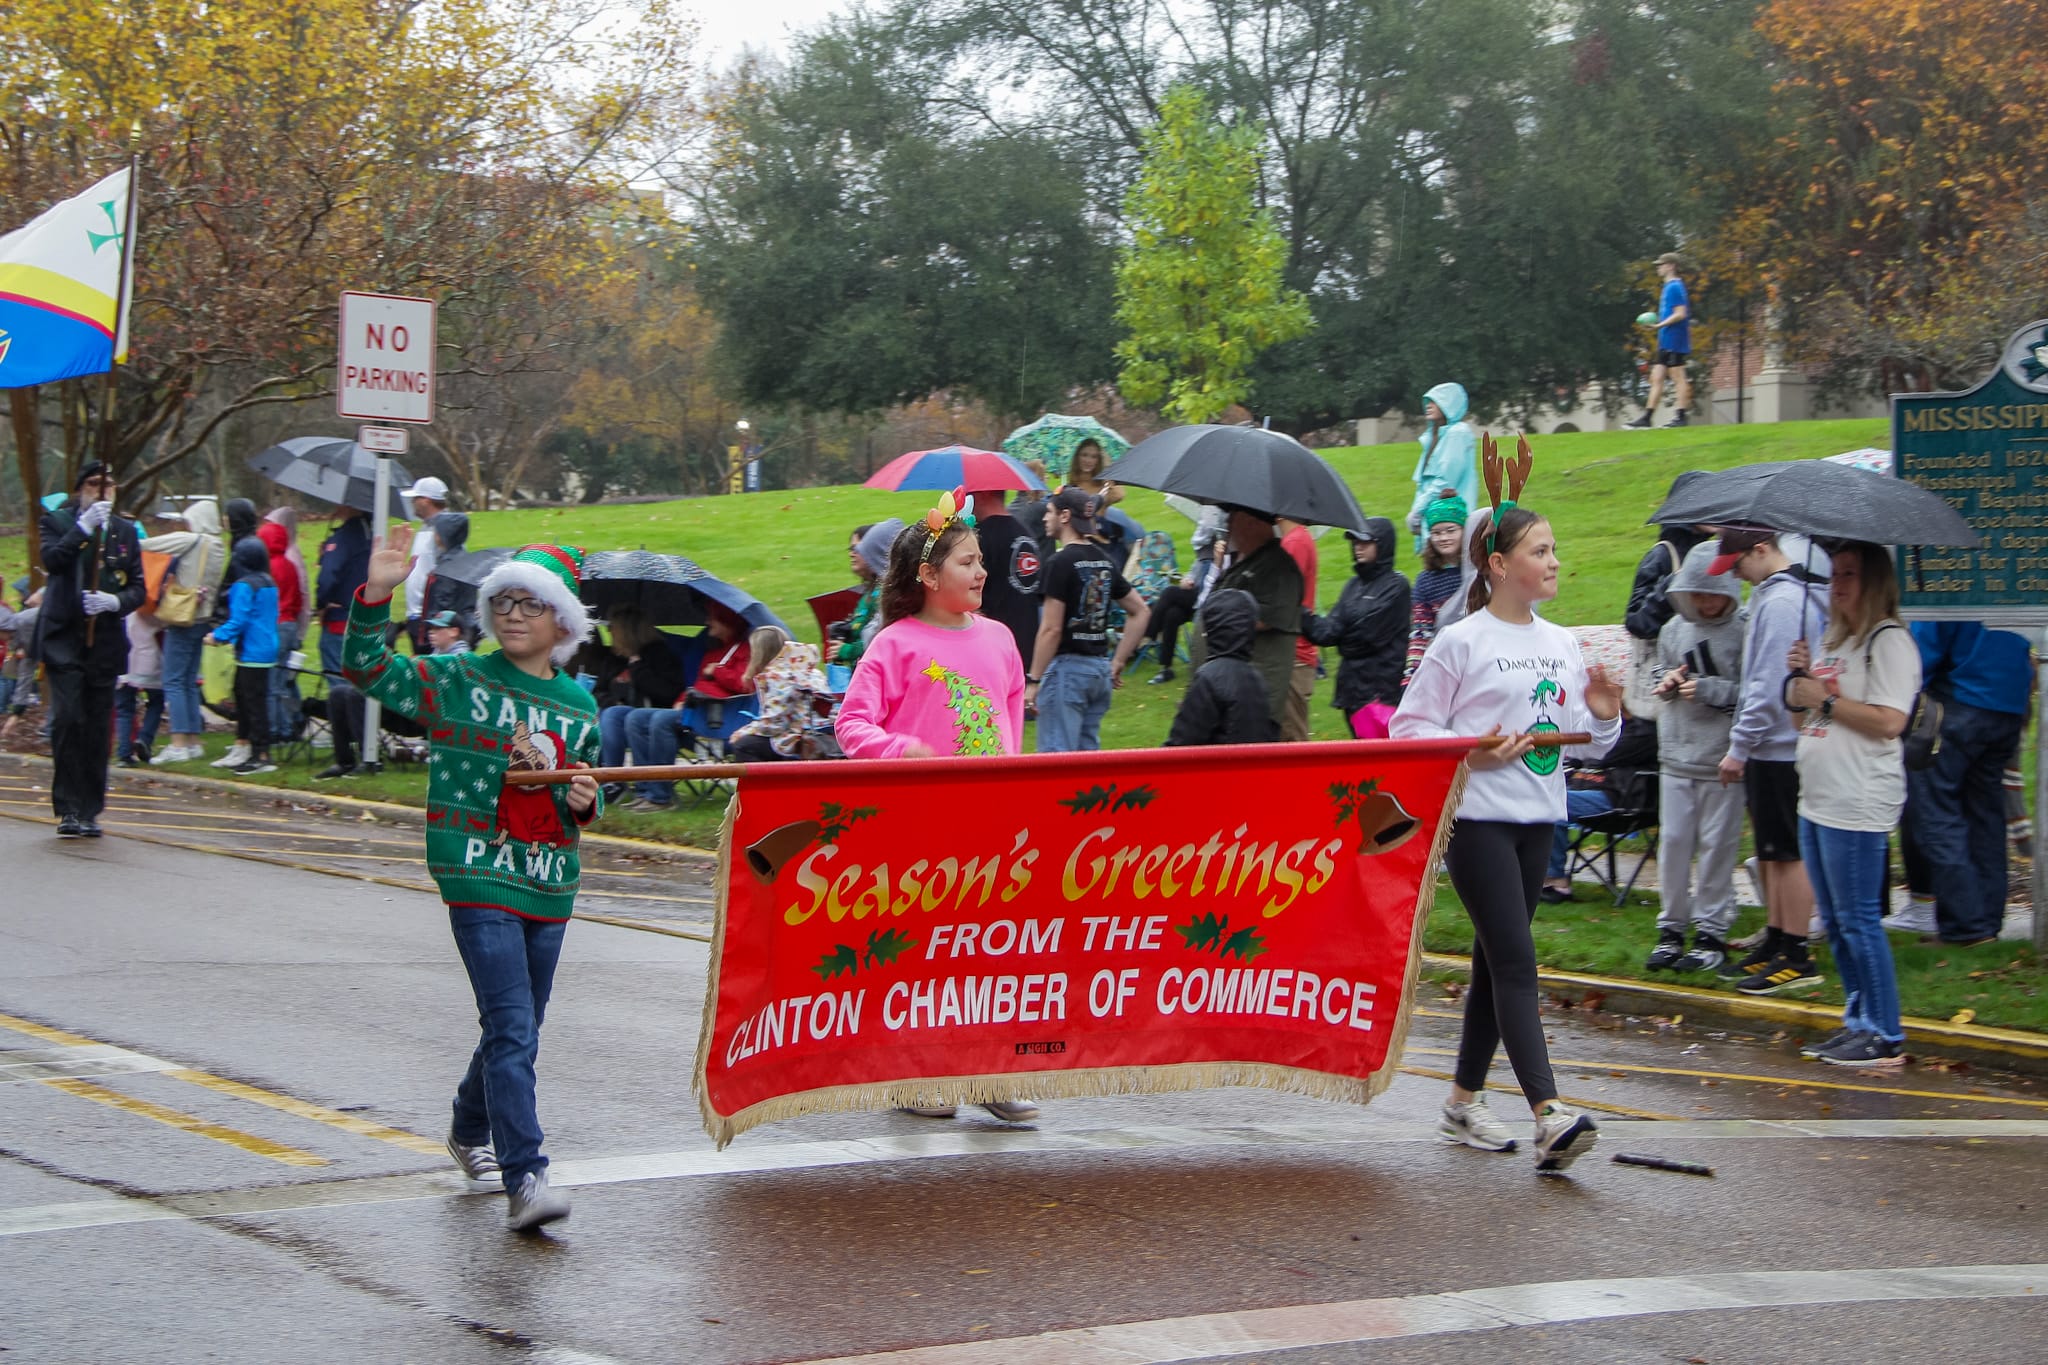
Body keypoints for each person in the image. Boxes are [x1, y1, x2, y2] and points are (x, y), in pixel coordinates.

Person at [347, 531, 602, 1231]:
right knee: (513, 1025)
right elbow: (368, 666)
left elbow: (584, 790)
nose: (515, 614)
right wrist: (376, 593)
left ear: (562, 622)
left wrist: (586, 799)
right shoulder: (457, 679)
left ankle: (467, 1128)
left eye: (532, 603)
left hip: (549, 883)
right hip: (477, 873)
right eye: (504, 601)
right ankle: (527, 1175)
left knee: (516, 1026)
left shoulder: (581, 706)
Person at [1392, 501, 1622, 1172]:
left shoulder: (1560, 642)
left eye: (1553, 549)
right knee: (1518, 962)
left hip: (1538, 820)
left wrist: (1606, 717)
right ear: (1498, 564)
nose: (1554, 562)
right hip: (1478, 820)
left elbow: (1585, 739)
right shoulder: (1462, 639)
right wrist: (1473, 753)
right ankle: (1549, 1113)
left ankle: (1462, 1101)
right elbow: (1408, 730)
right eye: (1540, 551)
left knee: (1498, 964)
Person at [834, 497, 1036, 1124]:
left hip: (991, 829)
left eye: (981, 562)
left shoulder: (1001, 639)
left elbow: (1010, 729)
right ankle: (915, 1073)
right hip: (918, 829)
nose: (982, 573)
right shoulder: (895, 644)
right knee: (922, 955)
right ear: (928, 576)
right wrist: (900, 748)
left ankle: (987, 1069)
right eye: (968, 562)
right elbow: (851, 725)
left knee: (990, 952)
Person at [1783, 542, 1920, 1066]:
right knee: (1837, 922)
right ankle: (1857, 1019)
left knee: (1859, 918)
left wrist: (1824, 697)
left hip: (1858, 798)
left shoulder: (1889, 642)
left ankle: (1885, 1032)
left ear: (1875, 581)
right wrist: (1798, 684)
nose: (1837, 584)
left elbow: (1890, 721)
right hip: (1817, 796)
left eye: (1849, 575)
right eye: (1834, 574)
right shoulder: (1834, 639)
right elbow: (1804, 721)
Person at [1712, 525, 1826, 993]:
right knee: (1773, 851)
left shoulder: (1780, 603)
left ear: (1761, 550)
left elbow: (1765, 685)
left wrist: (1739, 747)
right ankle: (1779, 938)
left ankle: (1796, 953)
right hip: (1771, 743)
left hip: (1778, 745)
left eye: (1738, 564)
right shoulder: (1776, 596)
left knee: (1787, 852)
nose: (1737, 575)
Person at [1641, 546, 1747, 970]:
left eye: (1712, 593)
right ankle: (1671, 927)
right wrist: (1665, 682)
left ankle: (1712, 931)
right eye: (1696, 594)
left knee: (1718, 846)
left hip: (1721, 759)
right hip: (1676, 754)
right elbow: (1657, 671)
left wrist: (1710, 690)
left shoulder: (1744, 630)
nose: (1705, 602)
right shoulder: (1673, 629)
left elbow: (1751, 694)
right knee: (1673, 844)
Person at [1897, 623, 2034, 944]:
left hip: (1958, 701)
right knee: (1986, 817)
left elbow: (1923, 651)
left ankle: (1965, 925)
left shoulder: (1942, 577)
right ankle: (1985, 921)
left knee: (1937, 815)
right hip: (2007, 704)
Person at [37, 461, 146, 837]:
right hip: (64, 638)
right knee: (68, 719)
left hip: (104, 642)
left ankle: (89, 809)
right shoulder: (58, 522)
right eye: (95, 483)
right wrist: (83, 529)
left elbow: (137, 588)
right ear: (81, 487)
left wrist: (113, 603)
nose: (103, 490)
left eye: (109, 484)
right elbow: (52, 560)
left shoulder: (124, 531)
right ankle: (67, 807)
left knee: (98, 728)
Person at [1029, 488, 1149, 753]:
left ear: (1065, 516)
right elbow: (1141, 611)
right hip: (1098, 671)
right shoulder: (1104, 561)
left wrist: (1034, 680)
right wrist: (1117, 661)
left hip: (1067, 673)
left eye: (1049, 512)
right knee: (1086, 764)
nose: (1045, 519)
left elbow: (1051, 629)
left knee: (1056, 763)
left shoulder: (1059, 563)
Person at [622, 603, 753, 810]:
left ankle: (660, 797)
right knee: (636, 718)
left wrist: (717, 672)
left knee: (660, 720)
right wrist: (682, 698)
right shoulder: (714, 651)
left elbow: (746, 684)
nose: (707, 622)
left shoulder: (746, 650)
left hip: (724, 719)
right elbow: (699, 684)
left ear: (727, 621)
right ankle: (645, 790)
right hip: (698, 712)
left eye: (713, 618)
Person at [1193, 505, 1303, 734]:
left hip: (1251, 704)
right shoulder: (1243, 560)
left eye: (1232, 519)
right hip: (1223, 698)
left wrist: (1220, 618)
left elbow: (1268, 617)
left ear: (1252, 523)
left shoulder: (1280, 567)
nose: (1227, 526)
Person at [1302, 517, 1410, 739]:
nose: (1358, 547)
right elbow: (1327, 631)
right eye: (1355, 542)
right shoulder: (1353, 585)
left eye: (1365, 542)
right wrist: (1300, 614)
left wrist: (1342, 637)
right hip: (1352, 692)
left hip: (1380, 694)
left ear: (1382, 544)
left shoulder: (1396, 587)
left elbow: (1366, 637)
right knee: (1364, 758)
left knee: (1380, 761)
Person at [140, 498, 225, 764]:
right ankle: (193, 740)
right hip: (202, 619)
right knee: (188, 681)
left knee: (173, 681)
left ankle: (178, 742)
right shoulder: (219, 546)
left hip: (182, 617)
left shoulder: (193, 540)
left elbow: (148, 545)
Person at [1163, 590, 1278, 746]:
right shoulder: (1256, 678)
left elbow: (1184, 740)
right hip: (1250, 766)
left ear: (1212, 627)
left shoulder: (1209, 678)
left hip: (1219, 767)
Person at [207, 538, 281, 775]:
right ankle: (247, 746)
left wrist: (217, 636)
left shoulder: (243, 585)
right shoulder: (269, 582)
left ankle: (261, 754)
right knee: (249, 698)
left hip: (251, 651)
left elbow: (239, 620)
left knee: (252, 703)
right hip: (267, 648)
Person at [730, 625, 830, 762]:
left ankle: (765, 783)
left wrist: (742, 732)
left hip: (801, 738)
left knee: (743, 745)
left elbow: (774, 724)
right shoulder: (810, 670)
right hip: (821, 732)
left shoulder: (777, 676)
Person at [1405, 382, 1480, 551]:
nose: (1428, 406)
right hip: (1437, 521)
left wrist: (1417, 511)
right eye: (1427, 402)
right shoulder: (1435, 437)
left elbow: (1445, 481)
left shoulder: (1457, 433)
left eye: (1435, 401)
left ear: (1449, 403)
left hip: (1450, 522)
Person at [1404, 493, 1467, 687]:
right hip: (1447, 667)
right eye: (1437, 533)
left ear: (1465, 531)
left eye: (1450, 530)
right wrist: (1412, 677)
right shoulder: (1425, 581)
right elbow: (1421, 633)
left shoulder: (1479, 571)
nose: (1444, 538)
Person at [1625, 253, 1692, 428]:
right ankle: (1646, 418)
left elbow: (1681, 314)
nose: (1658, 268)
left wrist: (1659, 325)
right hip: (1666, 340)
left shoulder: (1675, 287)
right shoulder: (1668, 287)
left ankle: (1681, 417)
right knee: (1657, 377)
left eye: (1661, 265)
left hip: (1675, 339)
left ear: (1671, 266)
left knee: (1678, 377)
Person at [257, 511, 307, 745]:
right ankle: (292, 723)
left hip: (273, 626)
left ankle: (278, 729)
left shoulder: (267, 569)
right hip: (289, 624)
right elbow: (298, 598)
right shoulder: (289, 564)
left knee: (271, 684)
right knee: (285, 681)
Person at [832, 519, 902, 670]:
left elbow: (876, 637)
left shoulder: (886, 595)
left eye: (857, 549)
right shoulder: (870, 591)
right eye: (850, 549)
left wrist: (846, 650)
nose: (852, 553)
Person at [1275, 516, 1321, 741]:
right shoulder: (1296, 539)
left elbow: (1282, 599)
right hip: (1294, 650)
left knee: (1292, 738)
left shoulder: (1294, 543)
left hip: (1294, 653)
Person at [315, 506, 372, 676]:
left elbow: (327, 577)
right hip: (366, 619)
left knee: (339, 684)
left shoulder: (343, 538)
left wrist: (321, 604)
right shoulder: (371, 534)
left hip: (340, 619)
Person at [400, 475, 451, 651]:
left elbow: (450, 572)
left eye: (416, 498)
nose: (413, 502)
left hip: (429, 618)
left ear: (426, 501)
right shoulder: (426, 528)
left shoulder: (444, 529)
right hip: (418, 616)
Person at [115, 611, 167, 767]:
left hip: (123, 660)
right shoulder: (153, 607)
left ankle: (124, 754)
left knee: (124, 708)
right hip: (150, 660)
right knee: (157, 702)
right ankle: (144, 738)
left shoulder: (124, 607)